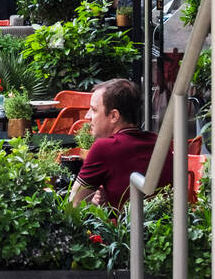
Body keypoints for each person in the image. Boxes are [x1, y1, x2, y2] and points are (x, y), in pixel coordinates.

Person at [70, 79, 172, 211]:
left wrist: (95, 205)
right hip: (164, 228)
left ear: (114, 116)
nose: (87, 116)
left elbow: (74, 205)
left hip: (130, 230)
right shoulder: (159, 143)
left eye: (94, 110)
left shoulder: (105, 148)